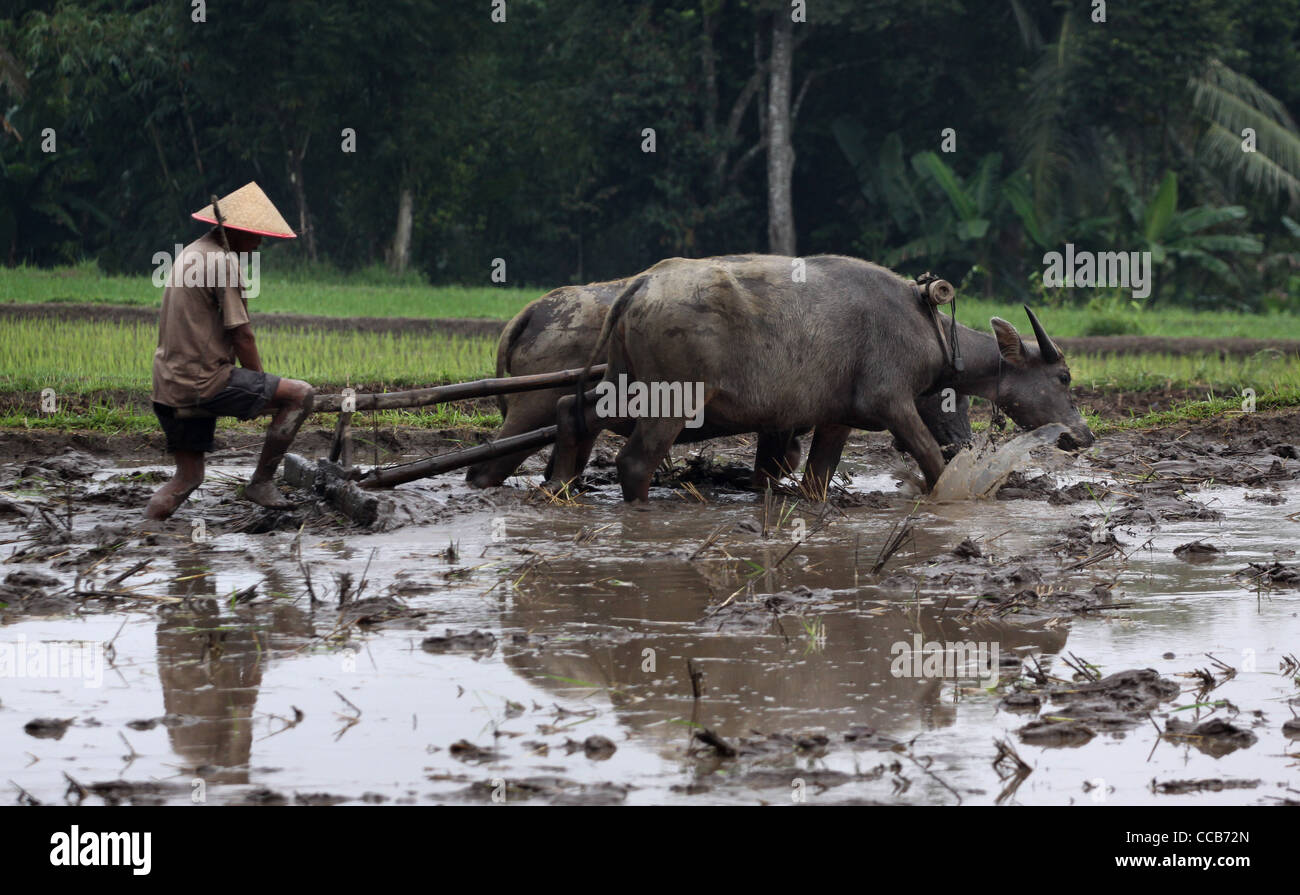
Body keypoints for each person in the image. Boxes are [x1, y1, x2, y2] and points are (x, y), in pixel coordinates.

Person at [146, 182, 314, 521]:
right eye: (255, 235)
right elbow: (243, 336)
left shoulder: (191, 251)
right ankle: (262, 481)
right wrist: (260, 384)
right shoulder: (223, 263)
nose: (260, 243)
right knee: (300, 395)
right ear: (233, 231)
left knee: (188, 478)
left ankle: (145, 533)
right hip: (204, 383)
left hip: (168, 387)